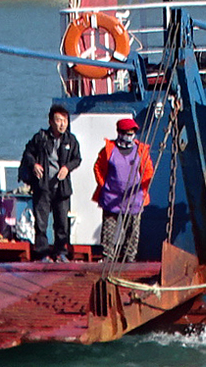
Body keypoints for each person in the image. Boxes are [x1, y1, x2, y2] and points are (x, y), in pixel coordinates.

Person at [19, 104, 81, 261]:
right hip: (43, 186)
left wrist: (67, 167)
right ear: (50, 122)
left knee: (62, 223)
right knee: (41, 223)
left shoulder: (71, 140)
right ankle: (42, 253)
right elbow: (28, 153)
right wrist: (34, 164)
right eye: (58, 120)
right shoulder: (40, 138)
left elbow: (77, 159)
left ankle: (61, 252)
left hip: (62, 187)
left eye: (65, 120)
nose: (62, 124)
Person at [92, 117, 155, 263]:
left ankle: (129, 258)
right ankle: (107, 257)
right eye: (126, 132)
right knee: (108, 230)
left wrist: (142, 190)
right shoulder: (109, 149)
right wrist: (104, 185)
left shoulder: (141, 150)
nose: (129, 136)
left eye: (132, 132)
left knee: (132, 231)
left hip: (134, 198)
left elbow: (148, 170)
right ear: (119, 132)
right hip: (111, 198)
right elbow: (98, 168)